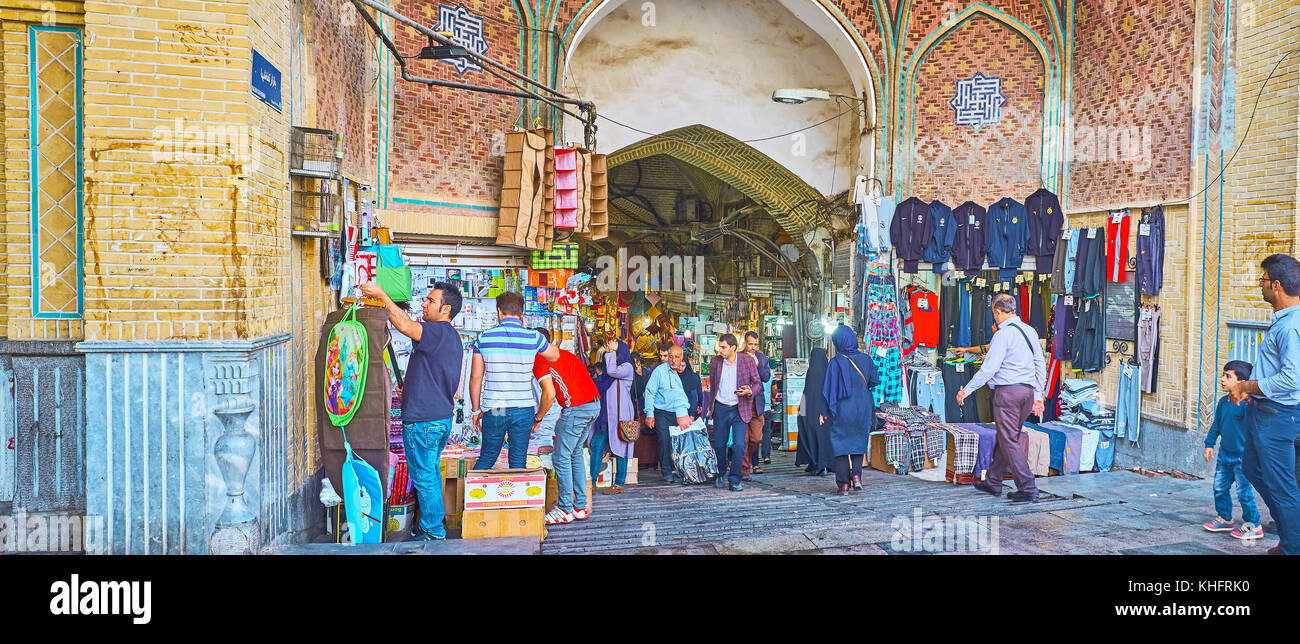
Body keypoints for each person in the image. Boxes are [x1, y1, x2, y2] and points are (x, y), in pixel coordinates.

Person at [359, 280, 463, 541]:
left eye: (430, 301)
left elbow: (404, 325)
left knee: (425, 477)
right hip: (436, 417)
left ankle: (433, 531)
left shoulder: (438, 331)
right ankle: (431, 526)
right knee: (429, 475)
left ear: (446, 309)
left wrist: (381, 294)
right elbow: (434, 375)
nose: (424, 304)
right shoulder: (448, 337)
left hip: (425, 421)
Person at [1228, 253, 1300, 555]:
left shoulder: (1290, 327)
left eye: (1263, 281)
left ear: (1277, 285)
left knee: (1283, 488)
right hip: (1265, 414)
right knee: (1253, 468)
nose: (1261, 286)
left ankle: (1293, 546)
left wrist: (1247, 385)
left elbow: (1291, 380)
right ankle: (1290, 534)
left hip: (1277, 417)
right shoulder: (1286, 321)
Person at [957, 292, 1046, 502]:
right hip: (1026, 393)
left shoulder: (1002, 335)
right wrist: (1038, 395)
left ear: (997, 312)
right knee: (1006, 438)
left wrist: (966, 390)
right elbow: (1039, 364)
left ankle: (1028, 487)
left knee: (1010, 440)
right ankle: (993, 481)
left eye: (994, 314)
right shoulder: (1030, 331)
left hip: (1008, 395)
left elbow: (989, 369)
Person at [470, 292, 560, 470]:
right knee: (518, 461)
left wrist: (475, 411)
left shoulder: (484, 338)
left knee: (487, 457)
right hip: (523, 409)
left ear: (499, 311)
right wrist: (526, 332)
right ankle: (515, 497)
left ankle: (476, 496)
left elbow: (475, 378)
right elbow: (555, 355)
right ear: (521, 313)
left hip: (496, 408)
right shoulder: (533, 337)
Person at [531, 329, 601, 525]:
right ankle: (580, 506)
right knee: (574, 452)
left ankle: (564, 509)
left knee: (560, 457)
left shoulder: (540, 360)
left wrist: (537, 419)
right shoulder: (566, 354)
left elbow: (549, 394)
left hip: (577, 408)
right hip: (593, 405)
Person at [1203, 360, 1262, 539]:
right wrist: (1208, 445)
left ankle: (1254, 525)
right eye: (1223, 375)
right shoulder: (1222, 402)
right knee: (1219, 487)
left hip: (1243, 459)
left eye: (1228, 376)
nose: (1222, 379)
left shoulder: (1248, 405)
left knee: (1244, 493)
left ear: (1241, 382)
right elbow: (1216, 425)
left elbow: (1256, 431)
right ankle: (1225, 518)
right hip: (1224, 456)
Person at [820, 326, 880, 494]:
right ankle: (856, 477)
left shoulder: (835, 361)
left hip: (842, 411)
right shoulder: (866, 360)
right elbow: (874, 381)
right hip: (862, 409)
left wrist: (823, 411)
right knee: (858, 443)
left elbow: (827, 390)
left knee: (841, 446)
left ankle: (844, 484)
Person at [702, 333, 762, 491]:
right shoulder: (715, 362)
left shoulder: (747, 361)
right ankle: (721, 472)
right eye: (719, 347)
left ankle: (735, 479)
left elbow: (757, 383)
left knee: (739, 445)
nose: (720, 350)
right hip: (721, 407)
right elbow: (713, 384)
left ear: (733, 348)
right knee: (720, 445)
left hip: (739, 408)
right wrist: (711, 405)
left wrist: (749, 390)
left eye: (723, 347)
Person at [643, 345, 695, 483]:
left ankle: (679, 469)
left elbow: (690, 393)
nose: (673, 360)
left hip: (680, 413)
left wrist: (690, 413)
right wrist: (649, 414)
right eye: (670, 356)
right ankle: (667, 471)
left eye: (677, 357)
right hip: (662, 413)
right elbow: (649, 393)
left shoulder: (684, 373)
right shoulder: (659, 371)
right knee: (664, 441)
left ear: (682, 358)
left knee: (680, 442)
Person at [592, 338, 637, 494]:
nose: (611, 354)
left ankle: (619, 483)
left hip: (620, 417)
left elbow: (613, 371)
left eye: (615, 351)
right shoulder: (606, 370)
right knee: (596, 445)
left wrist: (609, 353)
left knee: (620, 449)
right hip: (605, 416)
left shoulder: (627, 367)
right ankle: (591, 481)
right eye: (609, 351)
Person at [795, 349, 833, 476]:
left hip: (809, 411)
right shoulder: (828, 372)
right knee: (824, 438)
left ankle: (815, 463)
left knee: (809, 435)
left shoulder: (811, 371)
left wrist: (801, 412)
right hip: (825, 413)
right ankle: (825, 464)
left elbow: (806, 393)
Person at [742, 331, 773, 477]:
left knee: (756, 438)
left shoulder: (762, 358)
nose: (753, 347)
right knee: (743, 438)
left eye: (755, 344)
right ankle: (747, 466)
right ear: (745, 343)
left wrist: (757, 364)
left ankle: (751, 462)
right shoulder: (739, 357)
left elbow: (766, 377)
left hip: (757, 403)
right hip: (741, 403)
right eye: (750, 344)